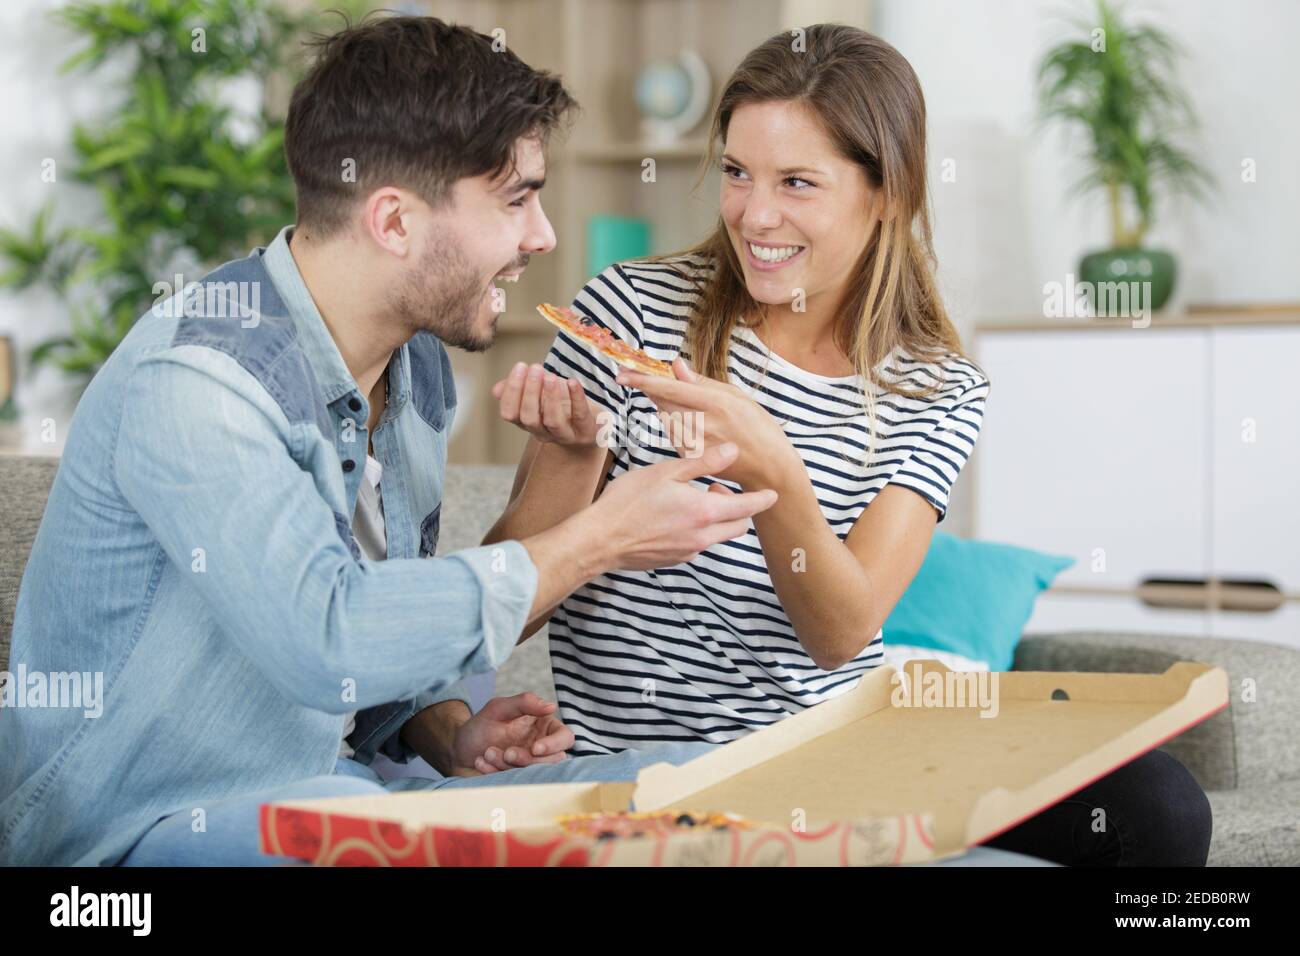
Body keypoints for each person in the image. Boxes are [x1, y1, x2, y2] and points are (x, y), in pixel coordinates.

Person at [0, 15, 777, 868]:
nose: (542, 235)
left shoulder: (416, 375)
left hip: (350, 790)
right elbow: (325, 636)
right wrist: (602, 536)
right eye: (516, 199)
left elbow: (370, 656)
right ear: (395, 222)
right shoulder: (199, 383)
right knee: (352, 816)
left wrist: (444, 729)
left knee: (716, 788)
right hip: (133, 836)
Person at [486, 24, 1212, 866]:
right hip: (664, 777)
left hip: (839, 757)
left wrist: (772, 467)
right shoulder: (628, 313)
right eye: (736, 173)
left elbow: (841, 632)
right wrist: (574, 463)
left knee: (1158, 808)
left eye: (798, 182)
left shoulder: (940, 389)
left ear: (887, 194)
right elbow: (501, 612)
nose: (755, 216)